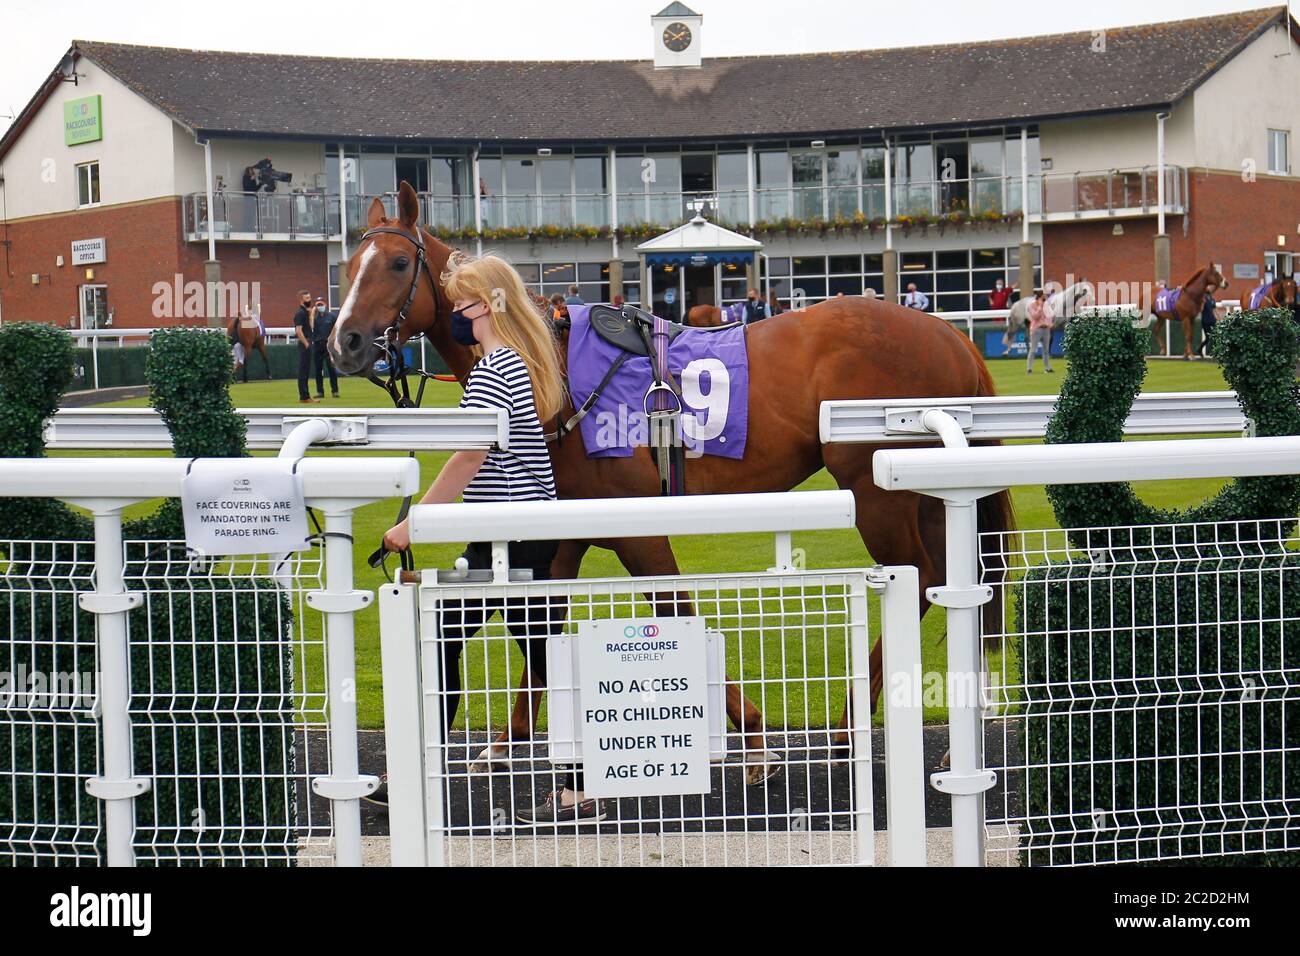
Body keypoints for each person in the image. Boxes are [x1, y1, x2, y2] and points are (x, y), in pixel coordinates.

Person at [381, 252, 598, 824]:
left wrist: (413, 524)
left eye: (461, 303)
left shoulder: (496, 369)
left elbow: (470, 456)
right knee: (518, 650)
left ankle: (416, 774)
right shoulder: (521, 361)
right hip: (515, 532)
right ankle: (574, 785)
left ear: (488, 304)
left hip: (509, 534)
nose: (455, 312)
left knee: (452, 637)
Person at [311, 297, 340, 398]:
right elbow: (310, 327)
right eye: (318, 305)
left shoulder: (331, 316)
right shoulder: (314, 317)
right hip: (317, 345)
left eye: (321, 304)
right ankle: (320, 392)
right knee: (318, 370)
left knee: (331, 369)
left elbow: (337, 328)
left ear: (325, 304)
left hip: (328, 346)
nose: (320, 306)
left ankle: (335, 391)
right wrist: (312, 313)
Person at [293, 290, 318, 404]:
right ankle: (304, 397)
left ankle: (306, 395)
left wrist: (311, 315)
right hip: (305, 344)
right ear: (301, 300)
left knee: (306, 370)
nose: (309, 300)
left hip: (308, 342)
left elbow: (310, 327)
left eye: (309, 297)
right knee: (303, 371)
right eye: (307, 298)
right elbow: (298, 331)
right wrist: (306, 344)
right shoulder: (300, 313)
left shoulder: (305, 312)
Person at [1026, 290, 1053, 374]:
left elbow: (1049, 315)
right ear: (1040, 296)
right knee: (1033, 349)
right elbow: (1035, 316)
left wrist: (1050, 324)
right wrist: (1040, 307)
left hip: (1046, 329)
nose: (1045, 297)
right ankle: (1029, 368)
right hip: (1036, 329)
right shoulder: (1032, 305)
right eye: (1043, 296)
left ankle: (1047, 368)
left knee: (1046, 350)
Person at [1197, 291, 1218, 359]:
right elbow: (1201, 310)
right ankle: (1200, 349)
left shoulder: (1212, 300)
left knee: (1216, 336)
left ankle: (1216, 352)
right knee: (1208, 338)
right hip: (1205, 321)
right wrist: (1203, 303)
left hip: (1212, 320)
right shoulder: (1203, 300)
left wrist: (1219, 317)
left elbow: (1214, 310)